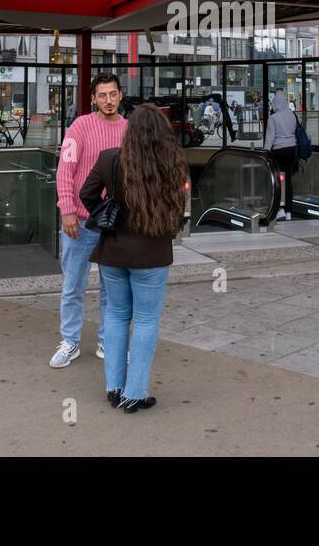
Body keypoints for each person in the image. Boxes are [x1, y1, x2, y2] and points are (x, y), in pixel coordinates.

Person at [80, 104, 185, 413]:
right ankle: (135, 393)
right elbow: (178, 206)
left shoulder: (110, 158)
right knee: (146, 320)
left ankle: (114, 388)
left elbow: (86, 195)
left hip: (112, 251)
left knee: (115, 315)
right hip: (152, 253)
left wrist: (110, 209)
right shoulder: (171, 161)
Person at [50, 73, 127, 369]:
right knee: (73, 285)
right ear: (93, 98)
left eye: (113, 94)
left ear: (120, 95)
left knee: (113, 287)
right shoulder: (80, 127)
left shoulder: (128, 129)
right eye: (102, 95)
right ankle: (70, 341)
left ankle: (107, 341)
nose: (108, 100)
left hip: (114, 225)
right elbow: (64, 170)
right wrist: (67, 209)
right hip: (79, 223)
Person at [263, 92, 300, 221]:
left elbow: (270, 138)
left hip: (278, 151)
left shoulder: (273, 118)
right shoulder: (292, 115)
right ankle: (289, 211)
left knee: (277, 181)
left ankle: (279, 209)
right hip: (291, 150)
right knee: (288, 181)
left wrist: (265, 153)